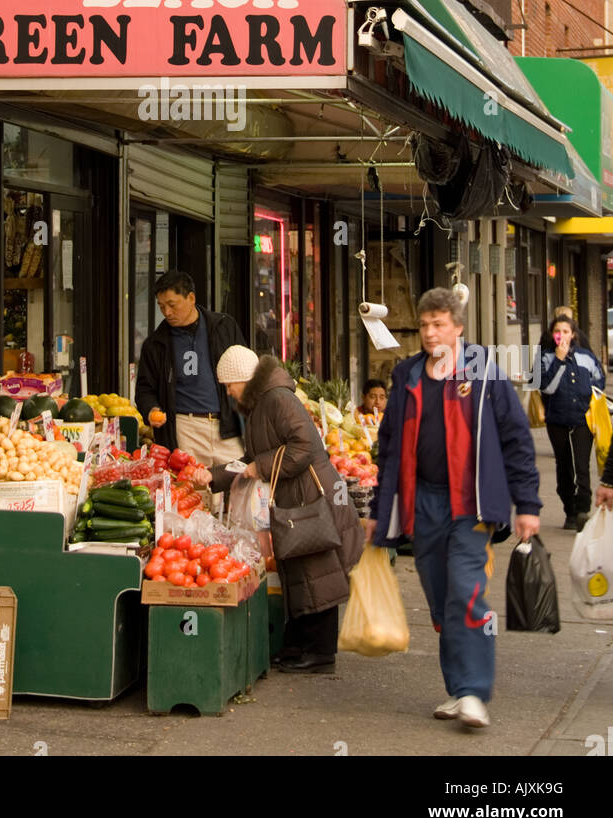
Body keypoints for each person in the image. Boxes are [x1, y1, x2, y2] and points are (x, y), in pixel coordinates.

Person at [366, 287, 541, 730]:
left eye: (438, 323)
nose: (429, 332)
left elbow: (517, 441)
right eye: (424, 324)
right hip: (422, 501)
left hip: (472, 505)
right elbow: (388, 449)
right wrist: (378, 509)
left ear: (458, 327)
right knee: (441, 598)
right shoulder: (406, 375)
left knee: (466, 593)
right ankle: (457, 687)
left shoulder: (484, 375)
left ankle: (473, 692)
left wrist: (528, 506)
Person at [213, 345, 358, 672]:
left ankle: (320, 653)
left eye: (229, 384)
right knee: (299, 570)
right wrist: (212, 478)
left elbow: (305, 445)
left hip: (311, 496)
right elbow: (250, 459)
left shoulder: (277, 399)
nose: (228, 391)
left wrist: (261, 466)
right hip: (296, 497)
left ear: (243, 379)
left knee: (317, 571)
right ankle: (297, 646)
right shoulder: (259, 404)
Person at [134, 269, 245, 468]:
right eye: (161, 306)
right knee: (192, 490)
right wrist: (151, 410)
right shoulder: (156, 344)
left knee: (237, 487)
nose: (167, 312)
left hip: (228, 425)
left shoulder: (224, 327)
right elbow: (144, 389)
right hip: (185, 427)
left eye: (172, 305)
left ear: (191, 298)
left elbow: (245, 368)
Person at [537, 312, 603, 532]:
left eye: (566, 331)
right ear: (552, 335)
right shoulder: (545, 358)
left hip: (583, 418)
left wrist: (590, 396)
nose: (561, 335)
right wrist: (559, 359)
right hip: (557, 419)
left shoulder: (587, 356)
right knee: (564, 465)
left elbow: (598, 381)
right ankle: (570, 510)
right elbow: (546, 387)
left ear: (573, 334)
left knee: (582, 466)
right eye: (557, 332)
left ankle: (583, 509)